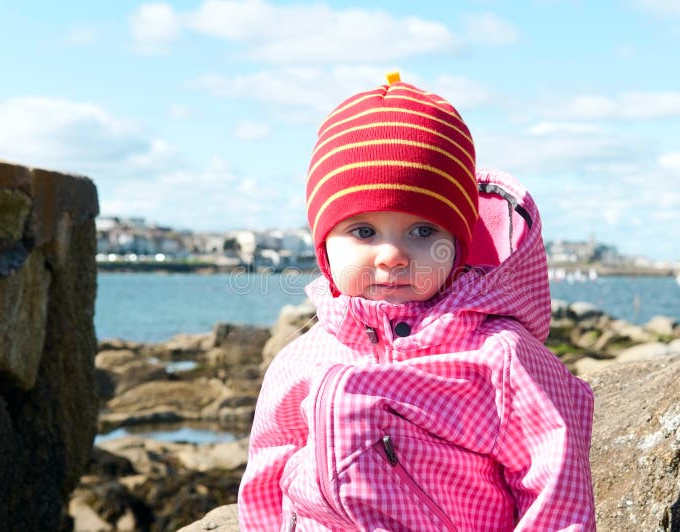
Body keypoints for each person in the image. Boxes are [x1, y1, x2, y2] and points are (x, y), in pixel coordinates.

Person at [238, 73, 596, 531]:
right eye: (364, 232)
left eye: (423, 232)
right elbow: (269, 473)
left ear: (459, 243)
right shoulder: (303, 357)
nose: (393, 255)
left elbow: (555, 486)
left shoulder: (496, 355)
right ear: (324, 246)